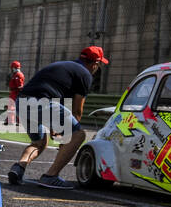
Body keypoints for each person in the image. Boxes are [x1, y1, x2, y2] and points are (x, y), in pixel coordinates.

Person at [7, 46, 109, 189]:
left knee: (39, 142)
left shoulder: (65, 67)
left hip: (22, 101)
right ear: (95, 64)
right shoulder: (85, 75)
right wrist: (69, 136)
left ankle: (18, 168)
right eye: (98, 65)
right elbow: (77, 110)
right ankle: (51, 176)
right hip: (41, 102)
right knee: (79, 135)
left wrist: (58, 129)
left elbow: (54, 98)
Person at [6, 60, 25, 126]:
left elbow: (20, 86)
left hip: (16, 93)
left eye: (12, 68)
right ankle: (10, 120)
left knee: (14, 107)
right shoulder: (15, 75)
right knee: (11, 107)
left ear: (14, 68)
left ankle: (16, 121)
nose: (11, 69)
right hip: (13, 92)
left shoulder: (18, 75)